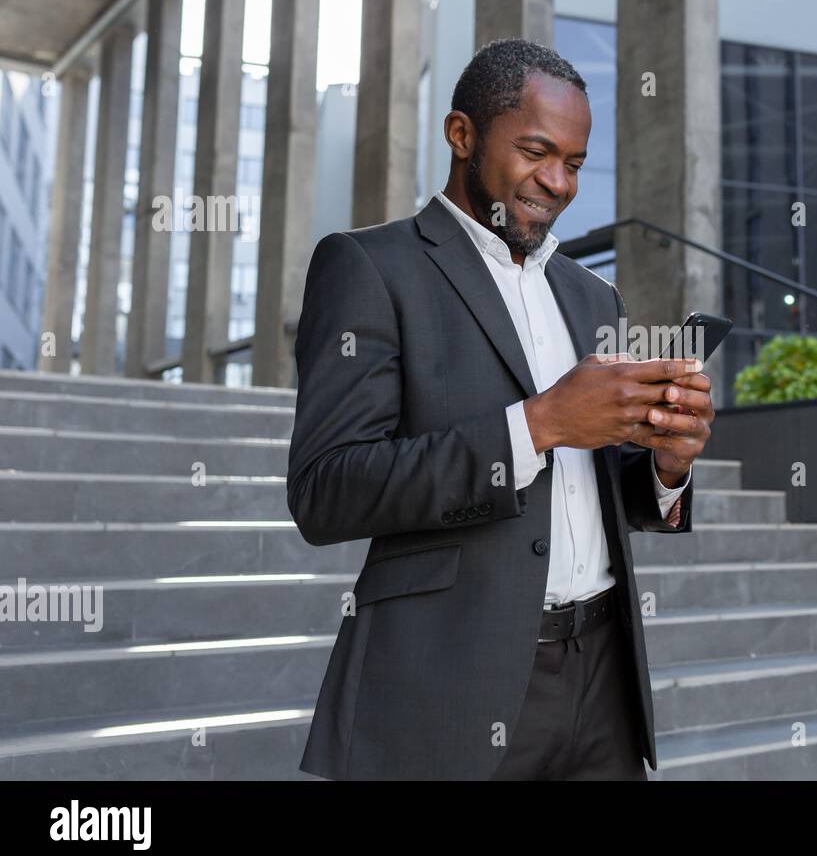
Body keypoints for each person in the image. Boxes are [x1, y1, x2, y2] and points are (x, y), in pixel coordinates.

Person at [288, 38, 715, 780]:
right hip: (451, 686)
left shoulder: (593, 296)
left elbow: (600, 486)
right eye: (537, 152)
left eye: (575, 164)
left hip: (604, 681)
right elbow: (327, 491)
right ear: (462, 135)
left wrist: (667, 465)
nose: (557, 182)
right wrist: (538, 425)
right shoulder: (369, 267)